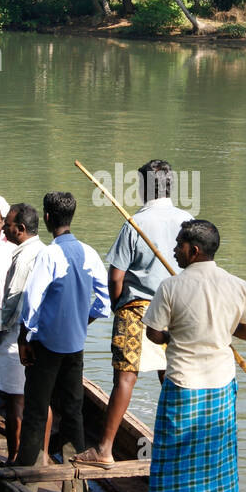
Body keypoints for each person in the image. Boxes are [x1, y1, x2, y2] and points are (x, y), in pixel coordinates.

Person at [140, 219, 246, 492]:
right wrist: (221, 330)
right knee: (218, 455)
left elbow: (153, 333)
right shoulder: (238, 286)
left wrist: (176, 332)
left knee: (169, 454)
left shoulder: (171, 287)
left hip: (183, 382)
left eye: (179, 245)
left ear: (194, 251)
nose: (174, 251)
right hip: (221, 383)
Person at [75, 159, 190, 468]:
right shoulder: (188, 220)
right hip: (176, 310)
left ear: (144, 188)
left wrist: (117, 305)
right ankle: (178, 451)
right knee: (173, 378)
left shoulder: (136, 222)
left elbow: (116, 276)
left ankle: (105, 449)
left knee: (125, 378)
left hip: (139, 309)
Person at [14, 192, 110, 492]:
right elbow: (104, 304)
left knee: (37, 411)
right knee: (73, 413)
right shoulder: (89, 253)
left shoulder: (49, 255)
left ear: (46, 218)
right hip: (75, 346)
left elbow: (31, 302)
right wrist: (82, 320)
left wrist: (25, 336)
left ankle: (27, 481)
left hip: (47, 346)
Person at [0, 203, 45, 463]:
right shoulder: (46, 251)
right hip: (41, 338)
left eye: (7, 224)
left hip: (17, 340)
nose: (3, 228)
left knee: (15, 401)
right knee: (41, 400)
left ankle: (15, 458)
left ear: (20, 229)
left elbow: (11, 305)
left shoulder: (23, 258)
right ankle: (40, 457)